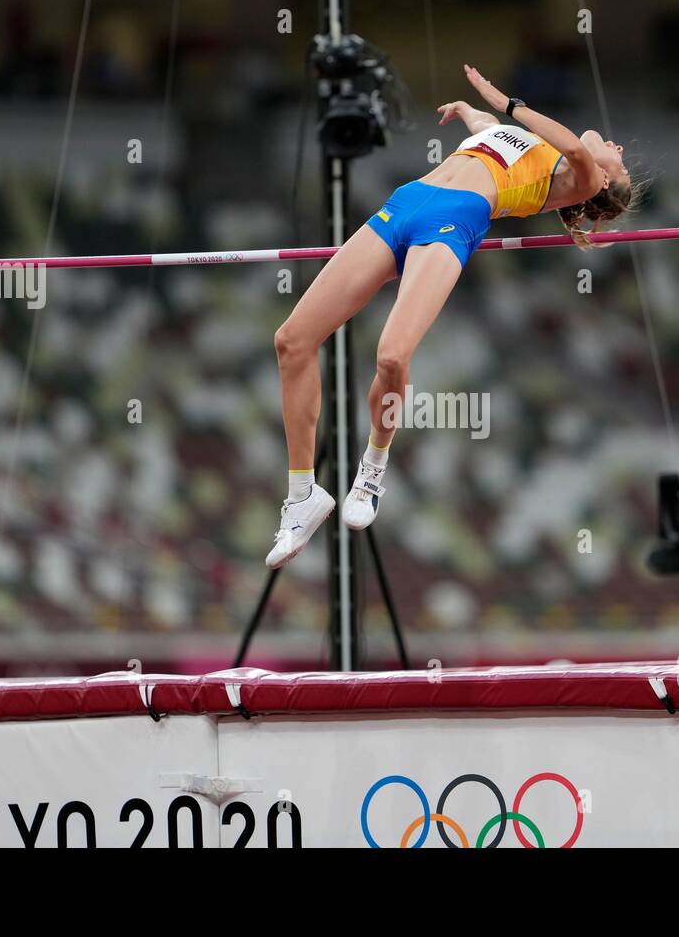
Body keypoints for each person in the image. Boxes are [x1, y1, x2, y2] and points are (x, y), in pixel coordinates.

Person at [265, 63, 644, 568]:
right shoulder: (536, 150)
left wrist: (505, 101)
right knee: (292, 339)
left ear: (605, 183)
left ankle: (373, 468)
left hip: (452, 221)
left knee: (392, 358)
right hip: (407, 202)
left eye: (619, 161)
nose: (617, 150)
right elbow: (493, 138)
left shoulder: (580, 177)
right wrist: (471, 111)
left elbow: (572, 146)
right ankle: (302, 496)